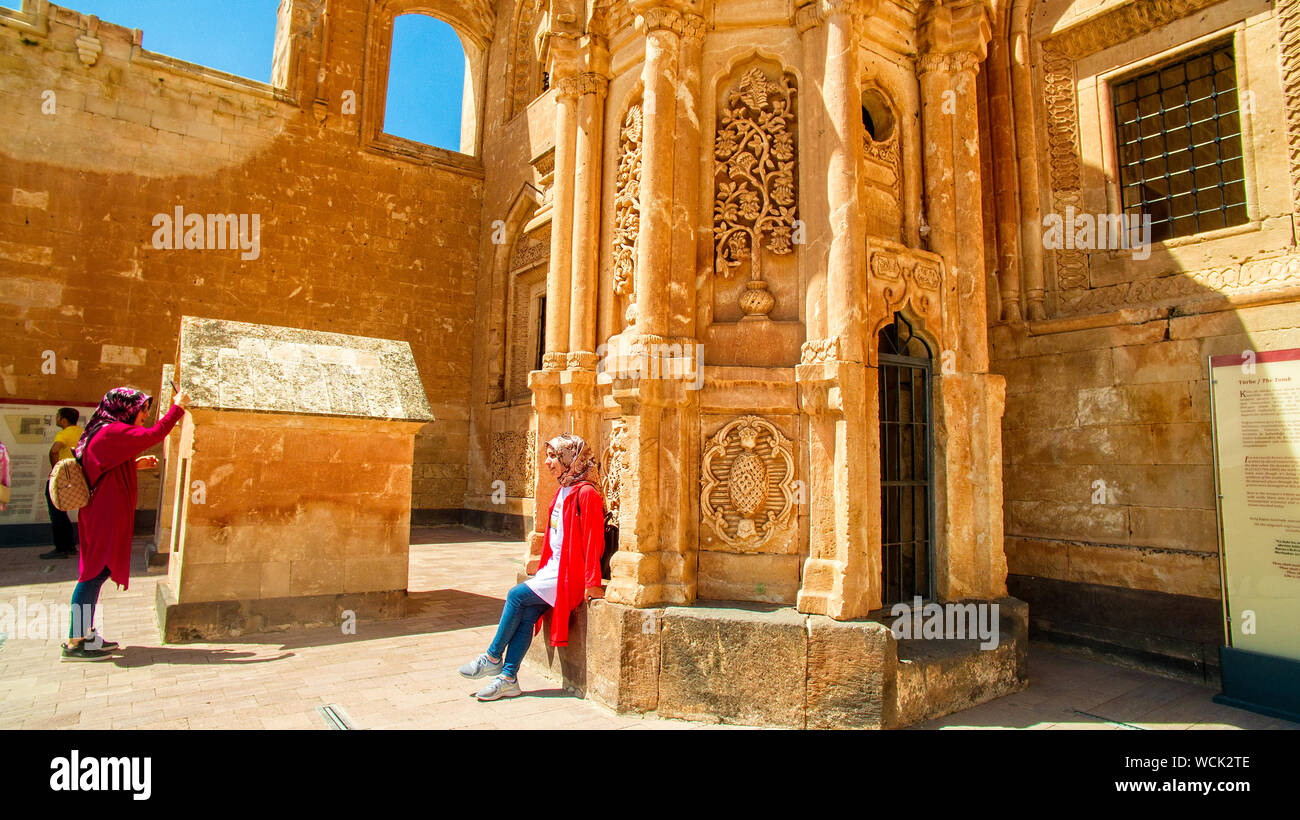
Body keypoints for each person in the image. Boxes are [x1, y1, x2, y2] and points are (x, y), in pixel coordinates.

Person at [459, 433, 606, 700]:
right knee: (526, 615)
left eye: (553, 456)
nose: (548, 463)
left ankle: (492, 657)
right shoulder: (564, 490)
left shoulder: (586, 494)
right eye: (548, 456)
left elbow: (594, 540)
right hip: (553, 569)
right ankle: (508, 678)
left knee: (516, 596)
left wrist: (592, 583)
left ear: (569, 458)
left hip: (569, 574)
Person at [61, 386, 189, 660]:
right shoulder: (111, 431)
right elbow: (154, 434)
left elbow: (105, 464)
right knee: (92, 574)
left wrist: (134, 464)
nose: (144, 415)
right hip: (103, 515)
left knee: (97, 572)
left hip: (104, 513)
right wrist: (177, 407)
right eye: (142, 409)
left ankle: (84, 633)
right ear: (126, 408)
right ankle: (76, 640)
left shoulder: (106, 430)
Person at [40, 407, 82, 560]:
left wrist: (55, 470)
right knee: (61, 512)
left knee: (56, 511)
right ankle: (69, 545)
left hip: (62, 477)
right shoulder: (80, 432)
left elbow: (54, 450)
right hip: (75, 476)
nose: (56, 419)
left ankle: (61, 547)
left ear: (63, 420)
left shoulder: (63, 434)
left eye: (58, 417)